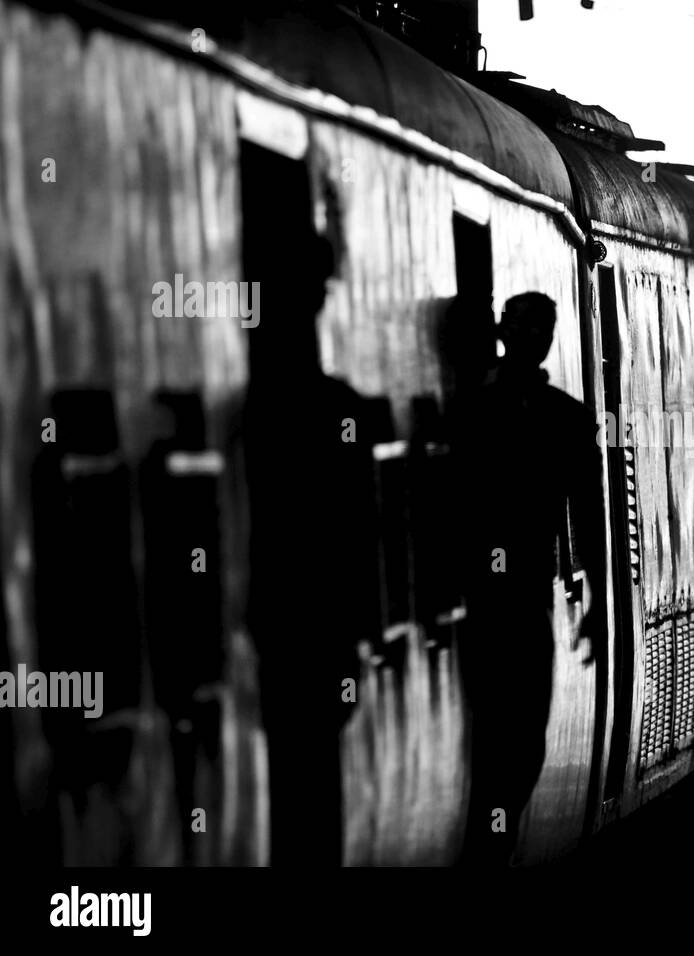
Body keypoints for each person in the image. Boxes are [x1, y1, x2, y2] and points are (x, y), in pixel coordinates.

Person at [242, 229, 380, 867]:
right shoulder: (336, 410)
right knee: (315, 791)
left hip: (279, 633)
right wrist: (357, 633)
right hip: (321, 634)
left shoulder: (257, 409)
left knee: (297, 786)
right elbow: (358, 533)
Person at [454, 292, 606, 866]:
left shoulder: (564, 419)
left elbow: (589, 517)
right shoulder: (481, 411)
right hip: (486, 597)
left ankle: (496, 839)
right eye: (525, 327)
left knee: (522, 739)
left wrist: (600, 598)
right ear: (504, 332)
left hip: (520, 597)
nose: (534, 337)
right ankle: (492, 844)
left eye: (543, 328)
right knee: (508, 735)